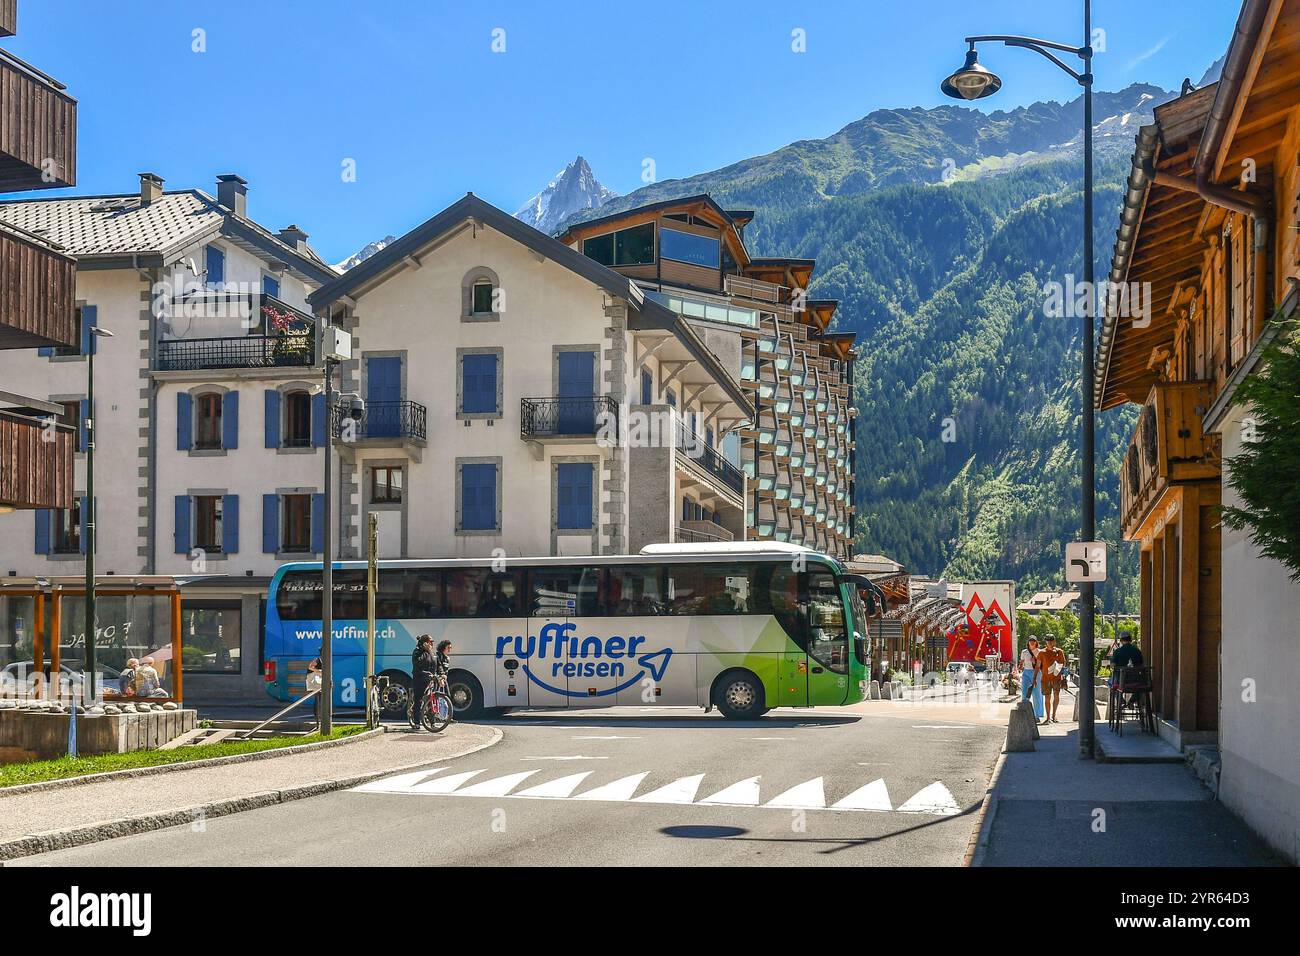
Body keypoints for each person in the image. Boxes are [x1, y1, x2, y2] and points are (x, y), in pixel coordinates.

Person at [410, 635, 436, 730]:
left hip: (429, 679)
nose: (432, 644)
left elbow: (434, 664)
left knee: (431, 700)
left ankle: (432, 722)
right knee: (419, 700)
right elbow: (417, 665)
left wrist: (438, 675)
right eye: (430, 642)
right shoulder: (417, 652)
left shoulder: (431, 653)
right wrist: (425, 673)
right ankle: (417, 722)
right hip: (419, 678)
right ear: (424, 643)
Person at [1038, 636, 1067, 724]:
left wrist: (1063, 676)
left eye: (1051, 640)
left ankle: (1054, 716)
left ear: (1054, 641)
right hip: (1045, 678)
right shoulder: (1042, 652)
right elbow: (1038, 666)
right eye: (1048, 640)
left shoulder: (1059, 652)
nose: (1050, 642)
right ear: (1046, 642)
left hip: (1057, 678)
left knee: (1056, 696)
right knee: (1047, 697)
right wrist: (1035, 677)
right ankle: (1047, 718)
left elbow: (1063, 664)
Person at [1019, 639, 1044, 719]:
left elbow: (1041, 665)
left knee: (1036, 694)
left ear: (1036, 642)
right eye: (1030, 640)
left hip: (1036, 673)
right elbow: (1021, 663)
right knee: (1024, 692)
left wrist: (1034, 662)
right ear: (1028, 642)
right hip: (1026, 672)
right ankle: (1024, 712)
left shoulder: (1040, 652)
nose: (1032, 642)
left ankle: (1037, 715)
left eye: (1033, 640)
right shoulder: (1024, 652)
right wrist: (1019, 667)